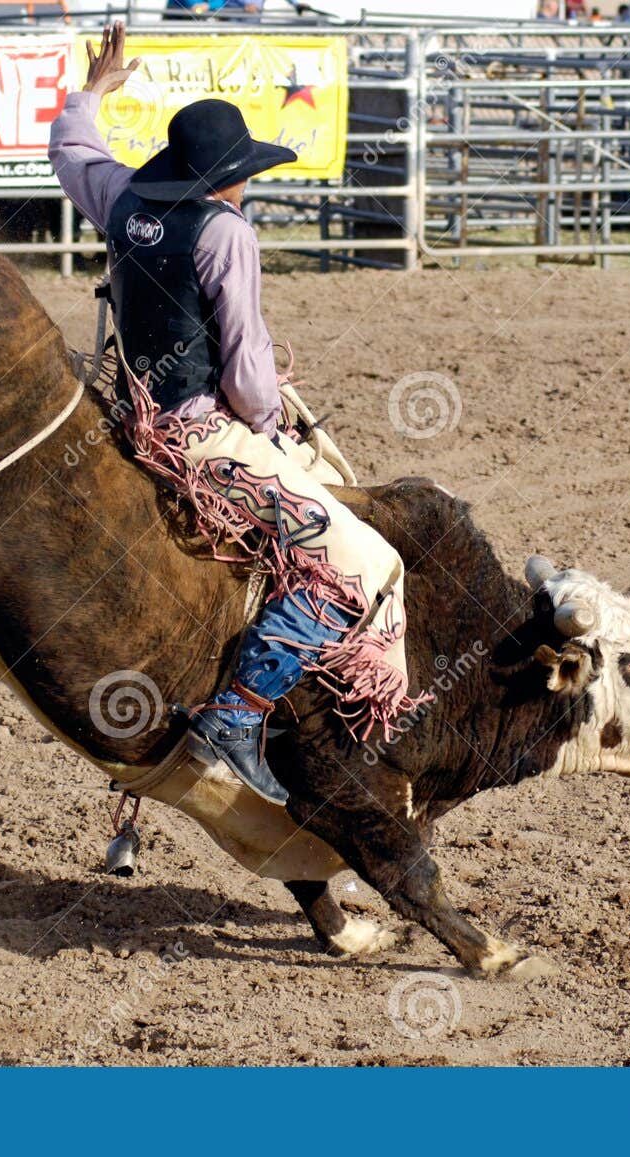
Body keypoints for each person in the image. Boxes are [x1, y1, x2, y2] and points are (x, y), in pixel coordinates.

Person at [48, 24, 423, 805]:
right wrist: (270, 427)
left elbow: (72, 151)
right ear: (231, 177)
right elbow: (250, 369)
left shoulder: (122, 198)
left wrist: (92, 94)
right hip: (198, 431)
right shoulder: (226, 231)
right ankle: (239, 711)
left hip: (130, 407)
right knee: (360, 563)